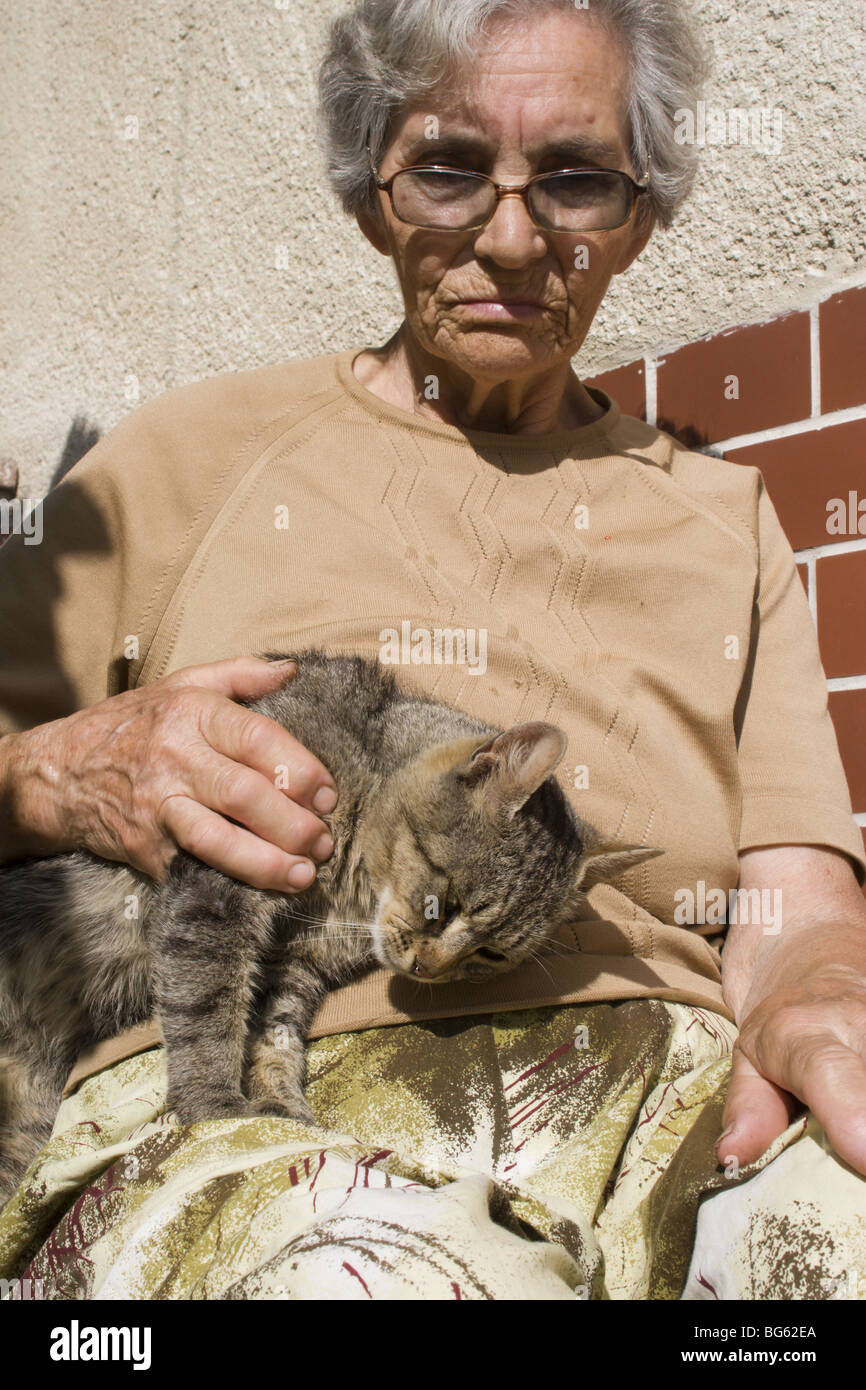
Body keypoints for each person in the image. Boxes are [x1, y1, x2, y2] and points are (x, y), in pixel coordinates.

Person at [1, 0, 865, 1300]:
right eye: (451, 169)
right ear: (370, 195)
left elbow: (788, 907)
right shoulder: (181, 461)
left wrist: (817, 991)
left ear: (639, 217)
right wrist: (66, 770)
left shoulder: (723, 517)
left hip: (678, 1111)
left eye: (575, 178)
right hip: (257, 1115)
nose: (513, 239)